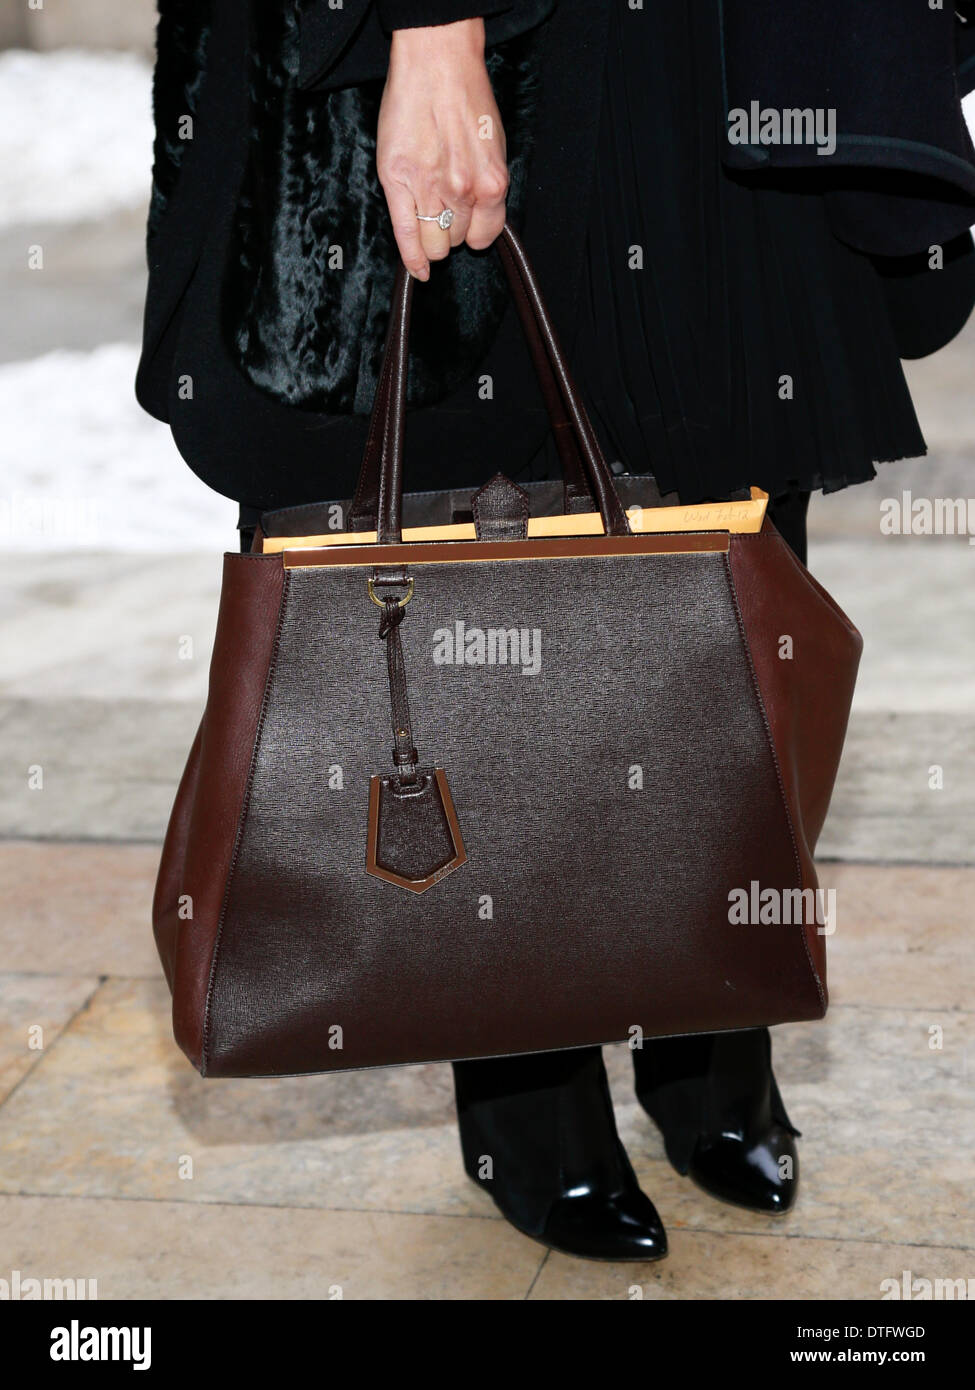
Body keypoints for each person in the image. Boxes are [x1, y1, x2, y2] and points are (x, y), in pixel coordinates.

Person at [138, 0, 975, 1261]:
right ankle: (529, 1097)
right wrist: (428, 37)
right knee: (481, 518)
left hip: (712, 46)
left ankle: (712, 1037)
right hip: (500, 28)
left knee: (731, 494)